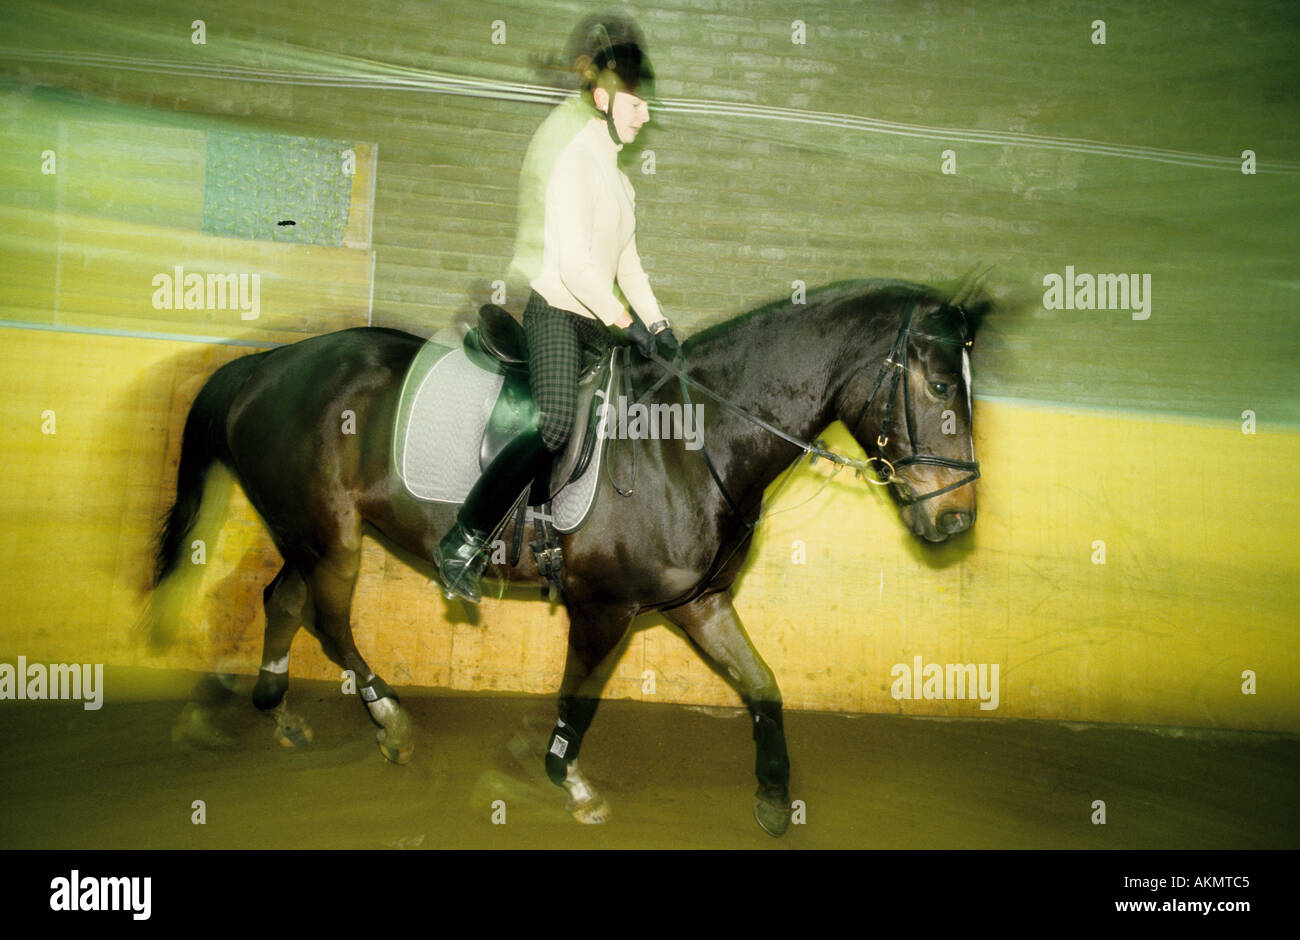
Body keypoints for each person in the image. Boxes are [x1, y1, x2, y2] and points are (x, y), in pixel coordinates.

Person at [434, 36, 680, 603]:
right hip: (558, 314)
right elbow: (574, 266)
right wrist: (627, 322)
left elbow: (629, 265)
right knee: (553, 425)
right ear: (602, 99)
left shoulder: (620, 182)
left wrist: (661, 327)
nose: (646, 113)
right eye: (636, 102)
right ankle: (463, 539)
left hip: (599, 322)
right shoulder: (575, 164)